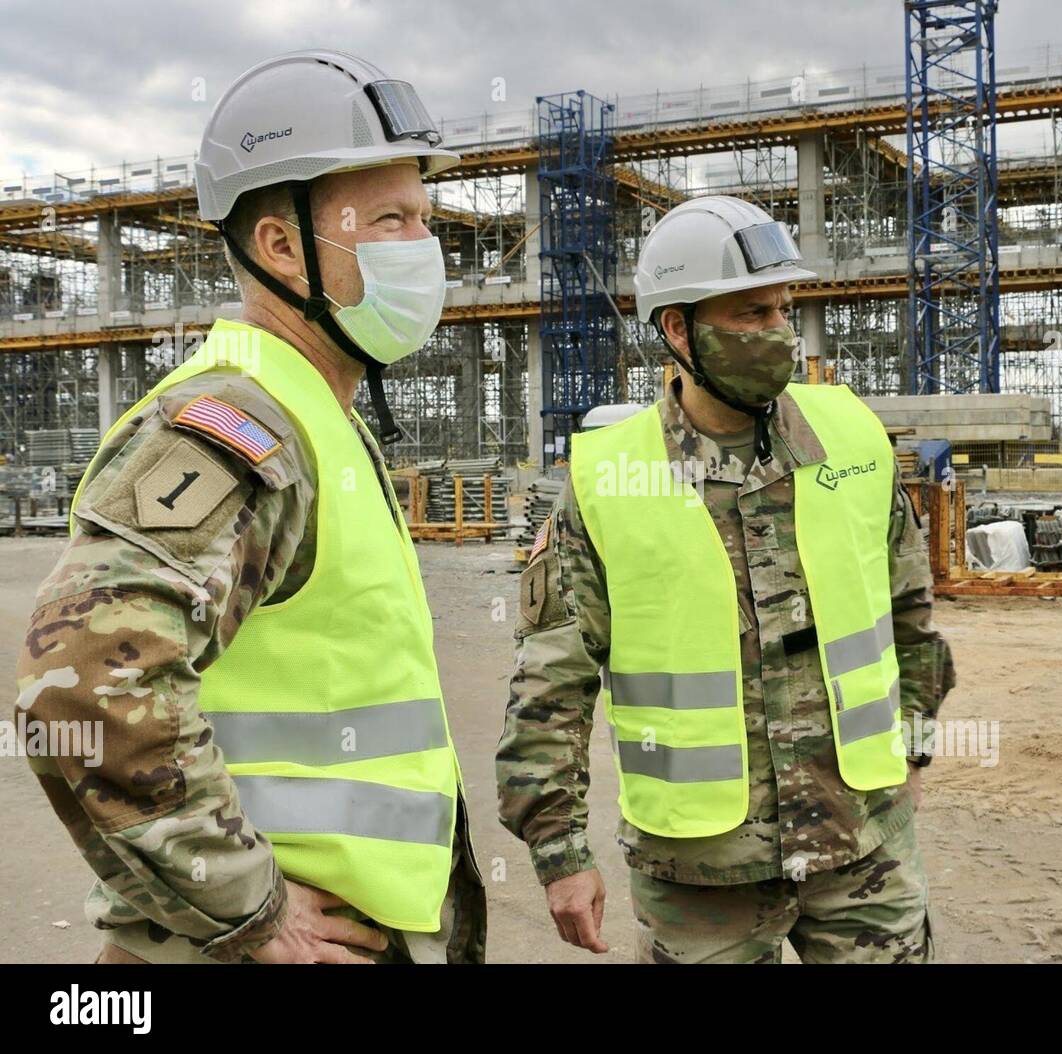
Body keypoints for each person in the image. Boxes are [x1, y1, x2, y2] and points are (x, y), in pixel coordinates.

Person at [15, 50, 484, 964]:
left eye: (424, 218)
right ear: (280, 246)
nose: (423, 246)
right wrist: (246, 903)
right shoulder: (238, 422)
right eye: (390, 219)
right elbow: (78, 678)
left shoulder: (319, 415)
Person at [497, 195, 955, 963]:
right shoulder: (609, 480)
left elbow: (909, 613)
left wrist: (911, 748)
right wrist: (559, 851)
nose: (778, 332)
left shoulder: (852, 438)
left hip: (863, 841)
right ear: (677, 329)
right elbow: (552, 681)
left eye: (783, 308)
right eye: (750, 314)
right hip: (700, 867)